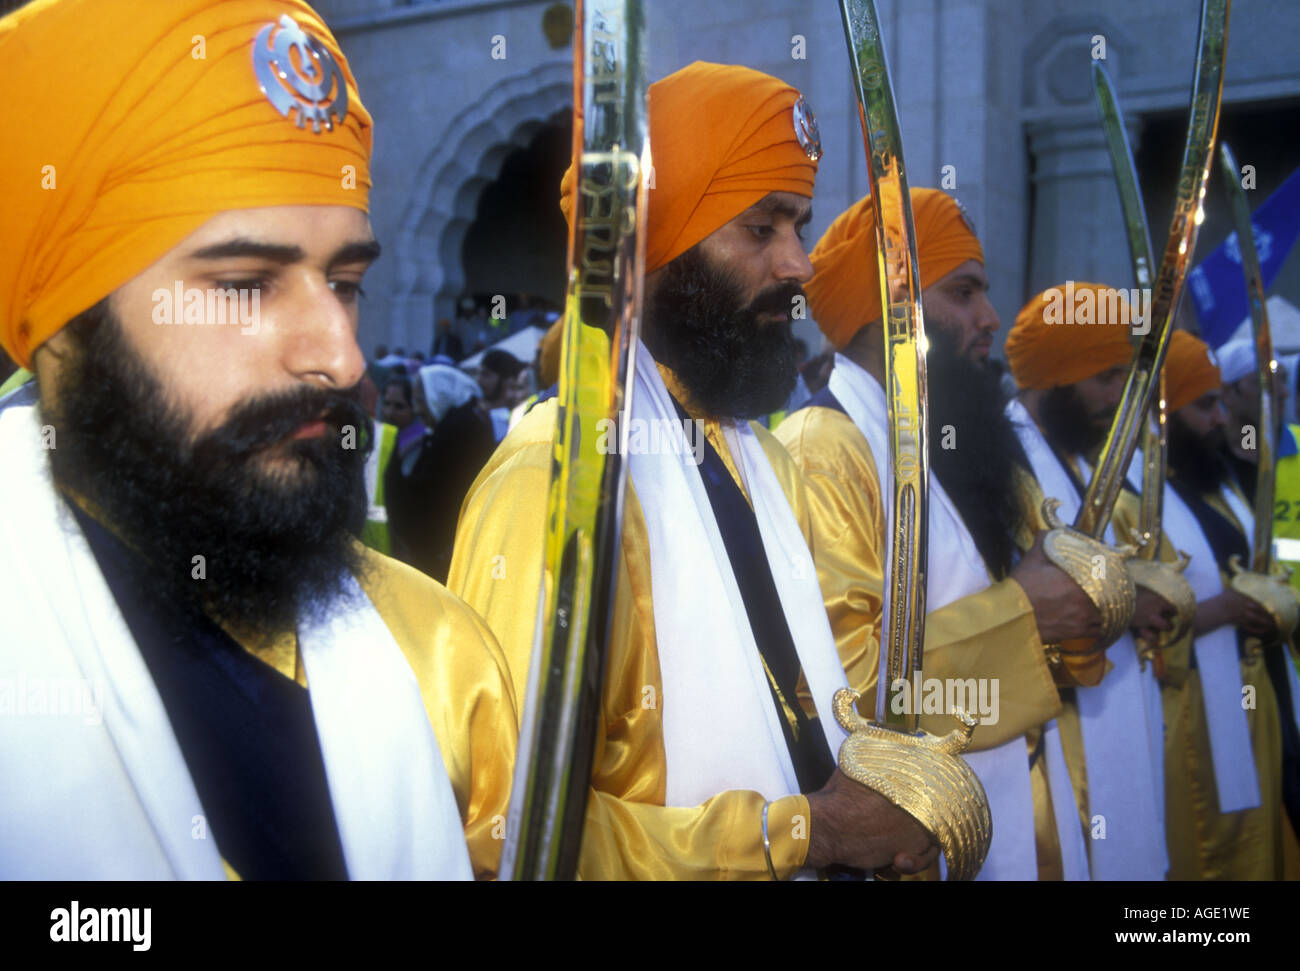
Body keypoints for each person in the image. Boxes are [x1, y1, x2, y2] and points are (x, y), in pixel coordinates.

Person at [0, 0, 516, 880]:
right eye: (244, 285)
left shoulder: (439, 655)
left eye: (345, 281)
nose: (341, 355)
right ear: (62, 325)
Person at [449, 61, 941, 880]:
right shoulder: (555, 483)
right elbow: (501, 832)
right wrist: (802, 836)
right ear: (661, 248)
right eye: (762, 228)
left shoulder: (765, 459)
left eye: (801, 227)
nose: (800, 265)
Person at [776, 189, 1150, 879]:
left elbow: (1056, 609)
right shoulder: (826, 445)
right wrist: (1026, 611)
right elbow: (841, 690)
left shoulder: (960, 437)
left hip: (1028, 803)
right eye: (965, 292)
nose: (990, 318)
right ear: (887, 308)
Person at [1002, 284, 1184, 879]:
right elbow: (1019, 610)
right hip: (1050, 740)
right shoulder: (1004, 469)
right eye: (1104, 378)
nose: (1120, 398)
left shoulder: (1087, 461)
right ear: (1053, 379)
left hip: (1119, 704)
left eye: (1124, 378)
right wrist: (1123, 603)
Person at [1139, 331, 1300, 878]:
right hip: (1188, 718)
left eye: (1219, 402)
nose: (1218, 418)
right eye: (1204, 404)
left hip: (1258, 700)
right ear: (1166, 409)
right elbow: (1126, 623)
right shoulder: (1139, 497)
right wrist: (1228, 611)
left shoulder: (1217, 479)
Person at [386, 363, 494, 582]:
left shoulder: (456, 431)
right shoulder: (462, 423)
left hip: (440, 553)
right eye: (386, 404)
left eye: (419, 400)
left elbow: (434, 493)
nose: (418, 409)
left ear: (437, 395)